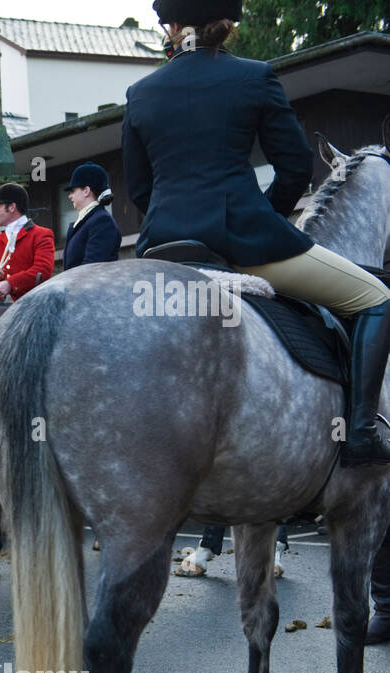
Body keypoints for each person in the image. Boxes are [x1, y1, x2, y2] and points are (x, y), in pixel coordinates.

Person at [124, 0, 390, 467]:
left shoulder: (141, 92)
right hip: (245, 243)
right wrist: (261, 219)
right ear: (226, 26)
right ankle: (363, 434)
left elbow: (140, 187)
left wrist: (176, 223)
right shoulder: (254, 76)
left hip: (163, 249)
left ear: (172, 27)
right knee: (376, 298)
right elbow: (294, 168)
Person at [0, 183, 55, 303]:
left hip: (31, 305)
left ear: (11, 207)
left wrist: (11, 284)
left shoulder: (41, 235)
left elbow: (42, 271)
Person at [61, 163, 121, 270]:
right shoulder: (87, 221)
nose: (70, 196)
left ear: (86, 191)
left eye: (73, 191)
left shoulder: (102, 221)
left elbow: (92, 268)